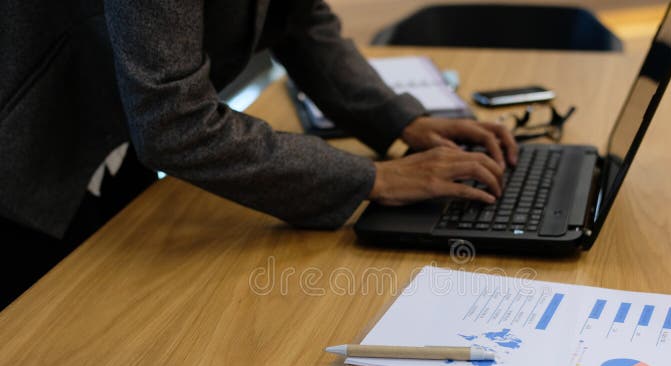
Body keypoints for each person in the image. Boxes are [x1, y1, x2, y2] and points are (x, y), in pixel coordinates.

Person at [0, 0, 517, 308]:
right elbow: (173, 124)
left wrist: (401, 120)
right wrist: (373, 179)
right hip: (24, 153)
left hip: (109, 138)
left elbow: (303, 21)